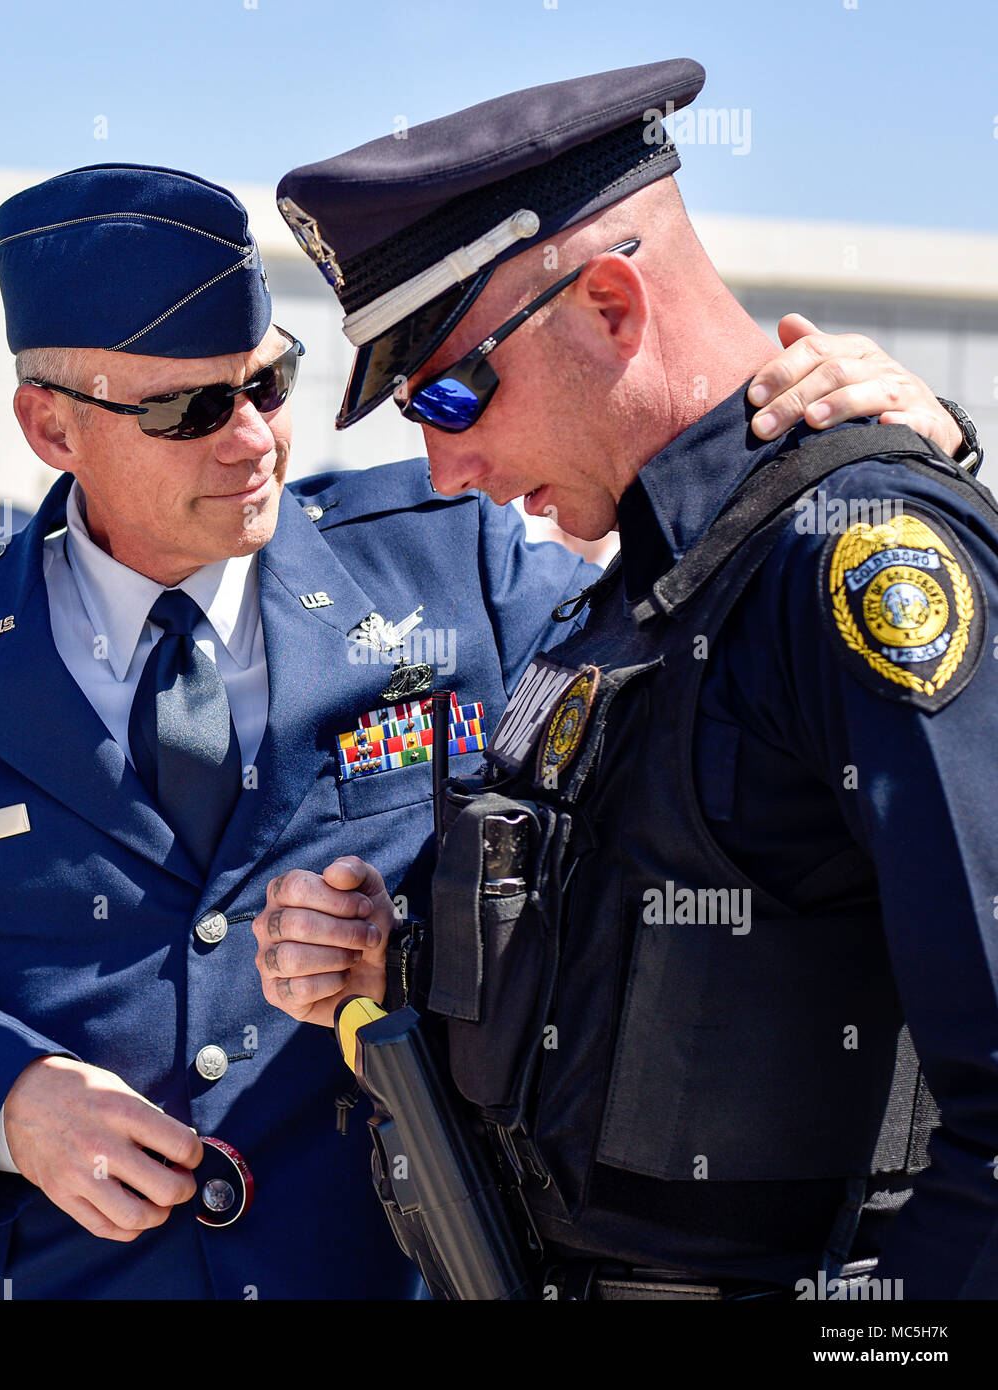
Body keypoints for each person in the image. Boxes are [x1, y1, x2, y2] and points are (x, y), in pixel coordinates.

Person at [0, 160, 962, 1301]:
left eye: (266, 384)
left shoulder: (451, 561)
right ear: (50, 429)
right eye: (189, 410)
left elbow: (712, 669)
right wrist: (0, 1102)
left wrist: (882, 456)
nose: (254, 441)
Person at [254, 59, 997, 1299]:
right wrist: (398, 968)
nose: (444, 471)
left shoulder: (851, 557)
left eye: (449, 391)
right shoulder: (623, 600)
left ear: (607, 302)